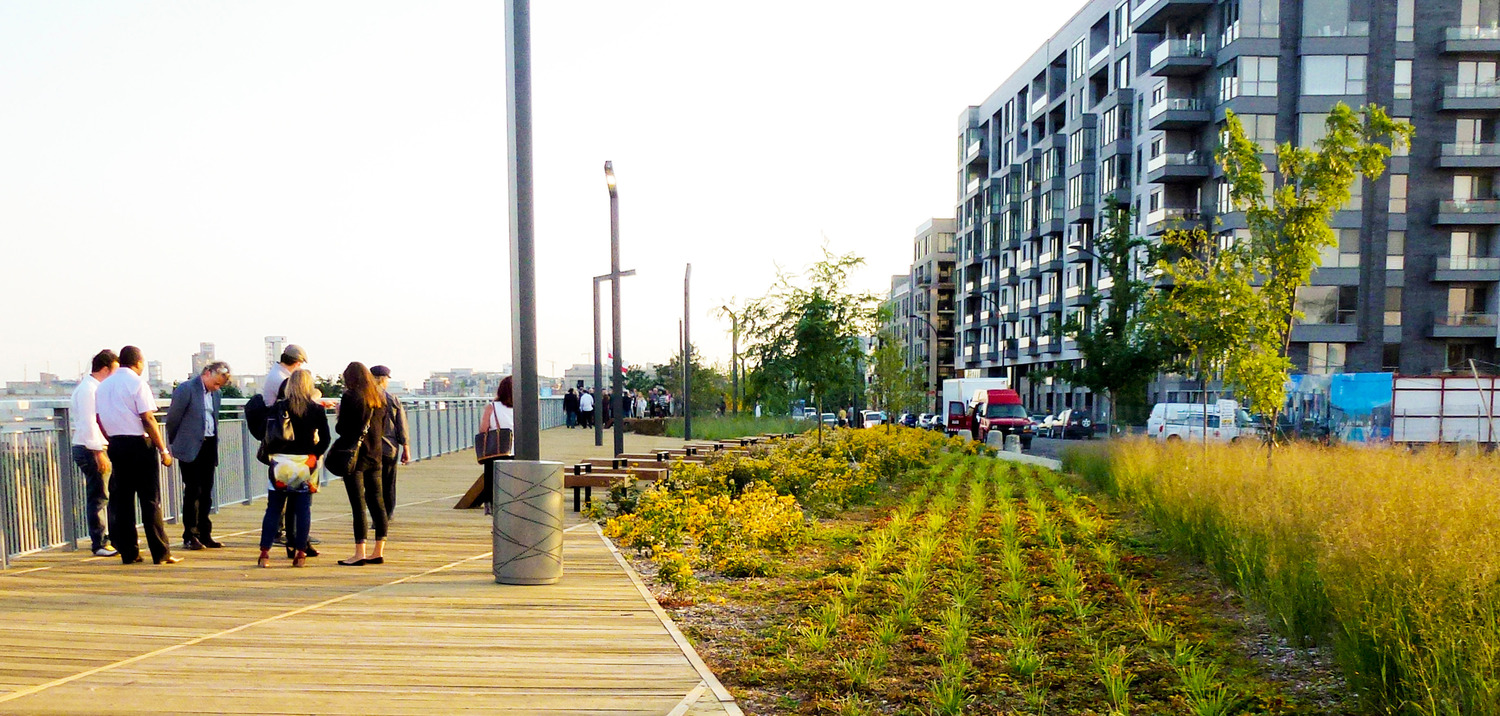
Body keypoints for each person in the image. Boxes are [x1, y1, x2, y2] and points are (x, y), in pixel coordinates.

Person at [96, 346, 178, 565]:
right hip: (140, 444)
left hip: (116, 444)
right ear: (139, 362)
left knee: (122, 502)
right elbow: (148, 419)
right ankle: (161, 553)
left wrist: (111, 438)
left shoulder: (103, 387)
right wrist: (163, 449)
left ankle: (129, 553)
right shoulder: (137, 383)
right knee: (150, 500)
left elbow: (98, 418)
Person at [256, 369, 330, 568]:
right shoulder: (316, 410)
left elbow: (269, 433)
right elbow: (326, 438)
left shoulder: (279, 408)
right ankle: (300, 553)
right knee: (302, 510)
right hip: (305, 462)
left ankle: (264, 553)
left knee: (273, 509)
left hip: (281, 462)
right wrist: (314, 455)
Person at [166, 361, 232, 550]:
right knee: (193, 490)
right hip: (190, 445)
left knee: (206, 491)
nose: (217, 387)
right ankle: (190, 535)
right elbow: (173, 418)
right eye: (216, 383)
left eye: (220, 385)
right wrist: (175, 442)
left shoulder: (216, 394)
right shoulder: (187, 389)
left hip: (209, 444)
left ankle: (205, 533)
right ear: (207, 373)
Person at [332, 362, 387, 566]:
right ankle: (378, 551)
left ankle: (359, 553)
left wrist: (339, 414)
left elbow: (343, 429)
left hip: (355, 457)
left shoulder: (351, 397)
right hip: (376, 454)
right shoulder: (380, 398)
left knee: (358, 505)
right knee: (377, 502)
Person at [69, 349, 119, 557]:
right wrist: (98, 452)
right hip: (90, 448)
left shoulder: (94, 388)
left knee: (108, 493)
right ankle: (99, 542)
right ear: (105, 369)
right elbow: (89, 422)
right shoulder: (89, 390)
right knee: (99, 496)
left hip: (97, 446)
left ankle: (112, 537)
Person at [370, 365, 409, 522]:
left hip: (370, 447)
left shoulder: (365, 398)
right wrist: (406, 447)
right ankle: (387, 513)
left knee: (372, 483)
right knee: (388, 482)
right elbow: (402, 425)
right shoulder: (392, 399)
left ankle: (376, 515)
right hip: (389, 447)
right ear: (384, 379)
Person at [476, 377, 515, 515]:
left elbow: (483, 430)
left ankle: (494, 512)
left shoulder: (492, 407)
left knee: (494, 483)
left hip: (497, 451)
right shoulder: (523, 408)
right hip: (517, 451)